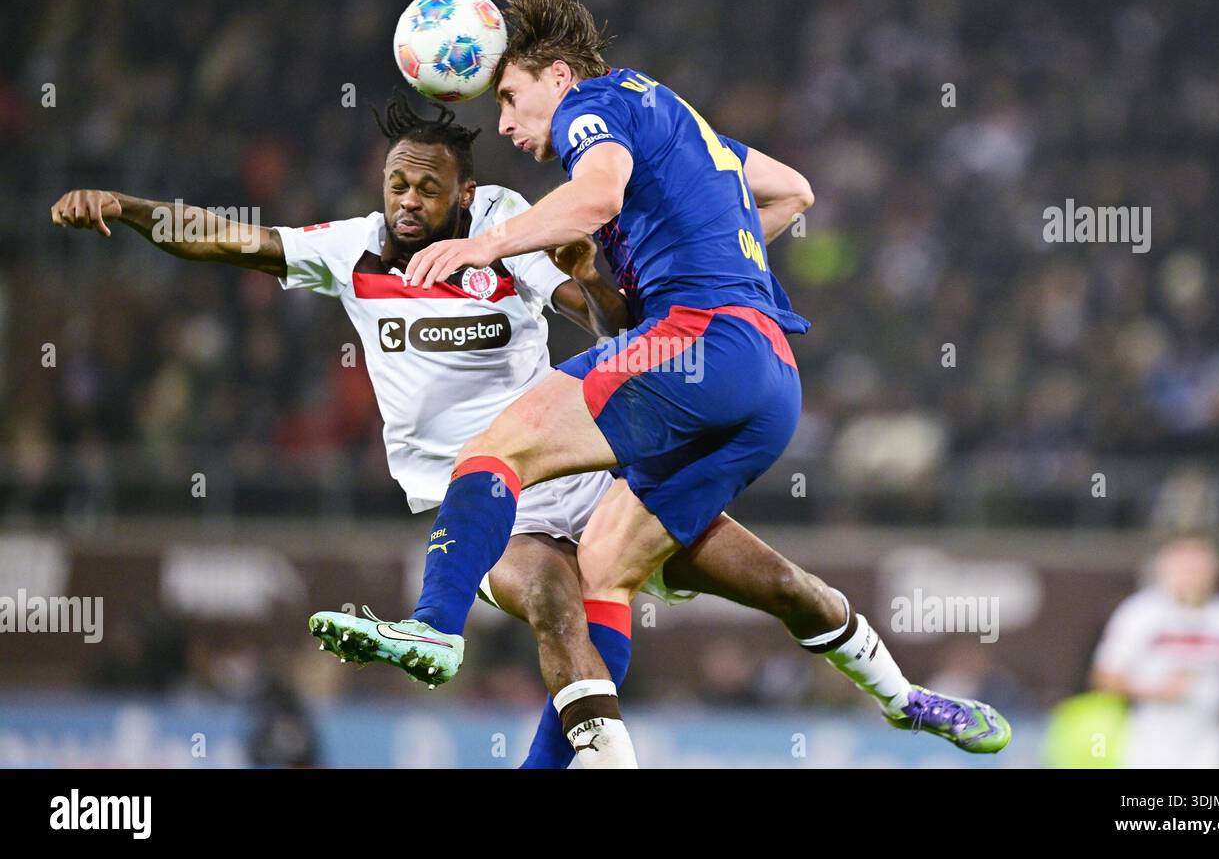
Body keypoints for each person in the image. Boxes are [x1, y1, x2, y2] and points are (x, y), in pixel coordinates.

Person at [51, 91, 1010, 768]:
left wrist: (585, 263)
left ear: (464, 195)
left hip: (584, 466)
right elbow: (228, 237)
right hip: (473, 500)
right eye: (398, 184)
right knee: (558, 601)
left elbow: (607, 326)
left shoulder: (503, 227)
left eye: (428, 186)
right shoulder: (347, 251)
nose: (409, 201)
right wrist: (125, 209)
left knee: (781, 586)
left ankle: (902, 701)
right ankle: (468, 654)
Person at [315, 0, 1011, 766]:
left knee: (494, 450)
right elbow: (792, 191)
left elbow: (596, 193)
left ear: (558, 75)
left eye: (510, 97)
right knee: (608, 568)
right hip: (770, 376)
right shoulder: (674, 118)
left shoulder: (595, 108)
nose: (504, 122)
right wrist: (685, 261)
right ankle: (901, 697)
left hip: (699, 343)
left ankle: (434, 627)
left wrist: (483, 245)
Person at [1090, 535, 1219, 768]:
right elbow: (1104, 678)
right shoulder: (1139, 612)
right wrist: (1157, 690)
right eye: (1184, 567)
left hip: (1209, 741)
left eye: (1199, 567)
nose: (1192, 575)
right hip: (1151, 742)